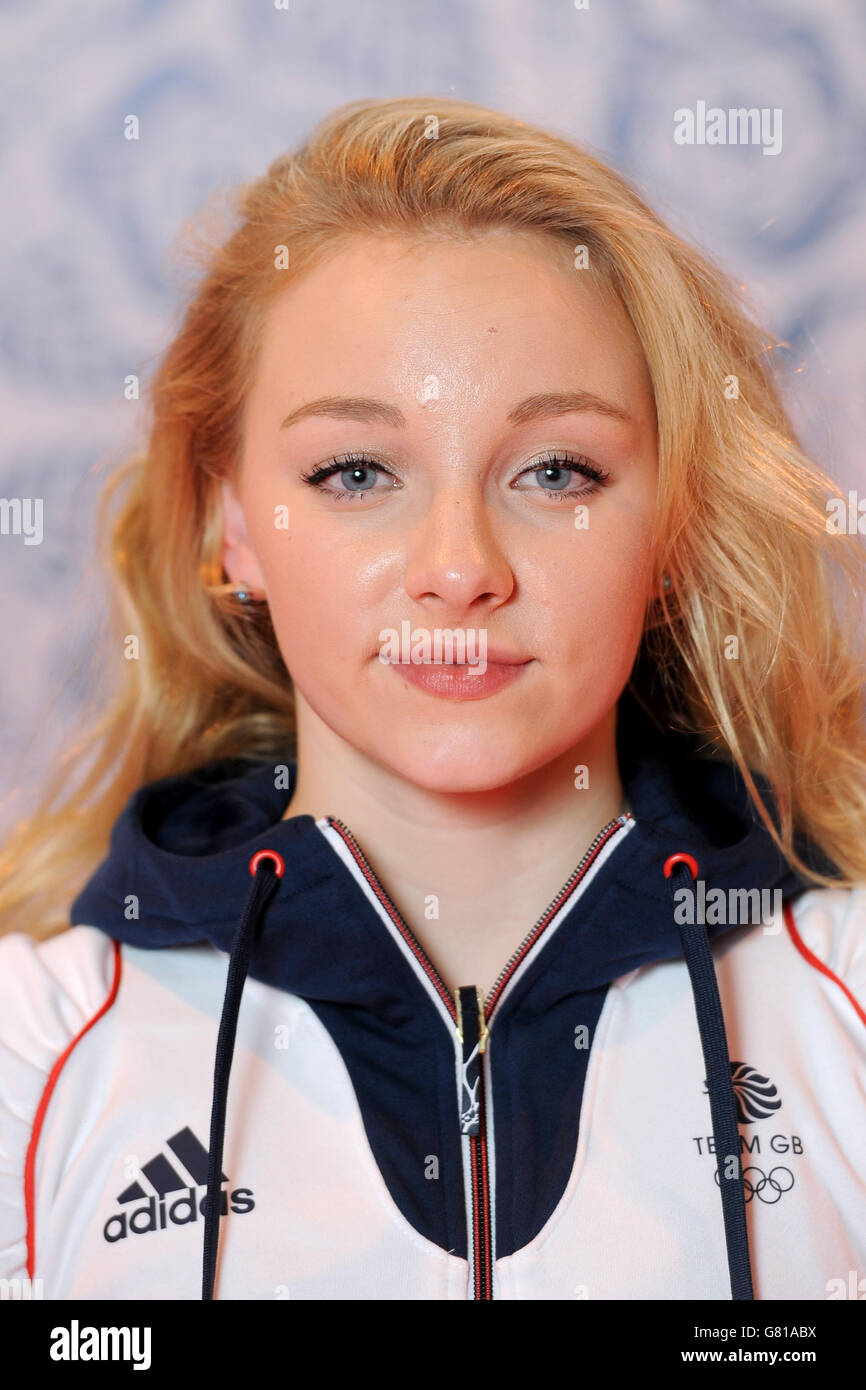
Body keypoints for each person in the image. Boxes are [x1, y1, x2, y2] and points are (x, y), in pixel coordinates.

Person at [0, 95, 864, 1303]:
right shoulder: (29, 1060)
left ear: (668, 526)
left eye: (555, 469)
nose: (459, 567)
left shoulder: (846, 1010)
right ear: (229, 524)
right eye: (355, 472)